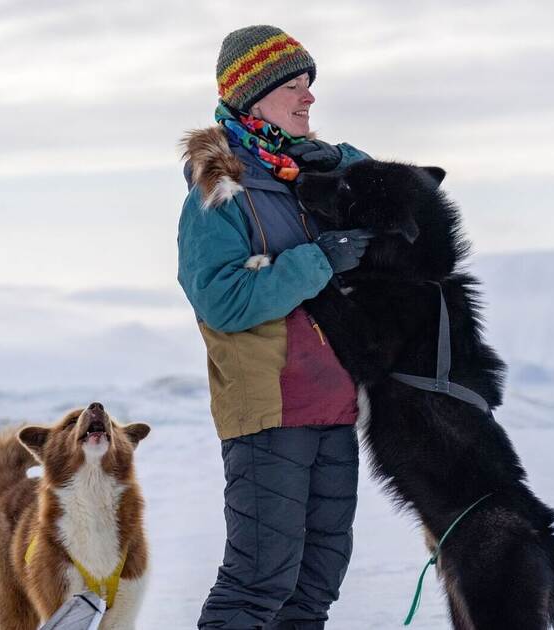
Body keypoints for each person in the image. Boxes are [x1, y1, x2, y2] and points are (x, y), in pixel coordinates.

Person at [176, 25, 373, 630]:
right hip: (270, 413)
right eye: (293, 84)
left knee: (314, 588)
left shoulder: (306, 177)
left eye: (310, 83)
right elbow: (222, 300)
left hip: (335, 407)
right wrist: (320, 261)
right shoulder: (221, 193)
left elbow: (389, 190)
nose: (309, 96)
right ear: (253, 98)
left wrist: (341, 164)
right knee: (258, 583)